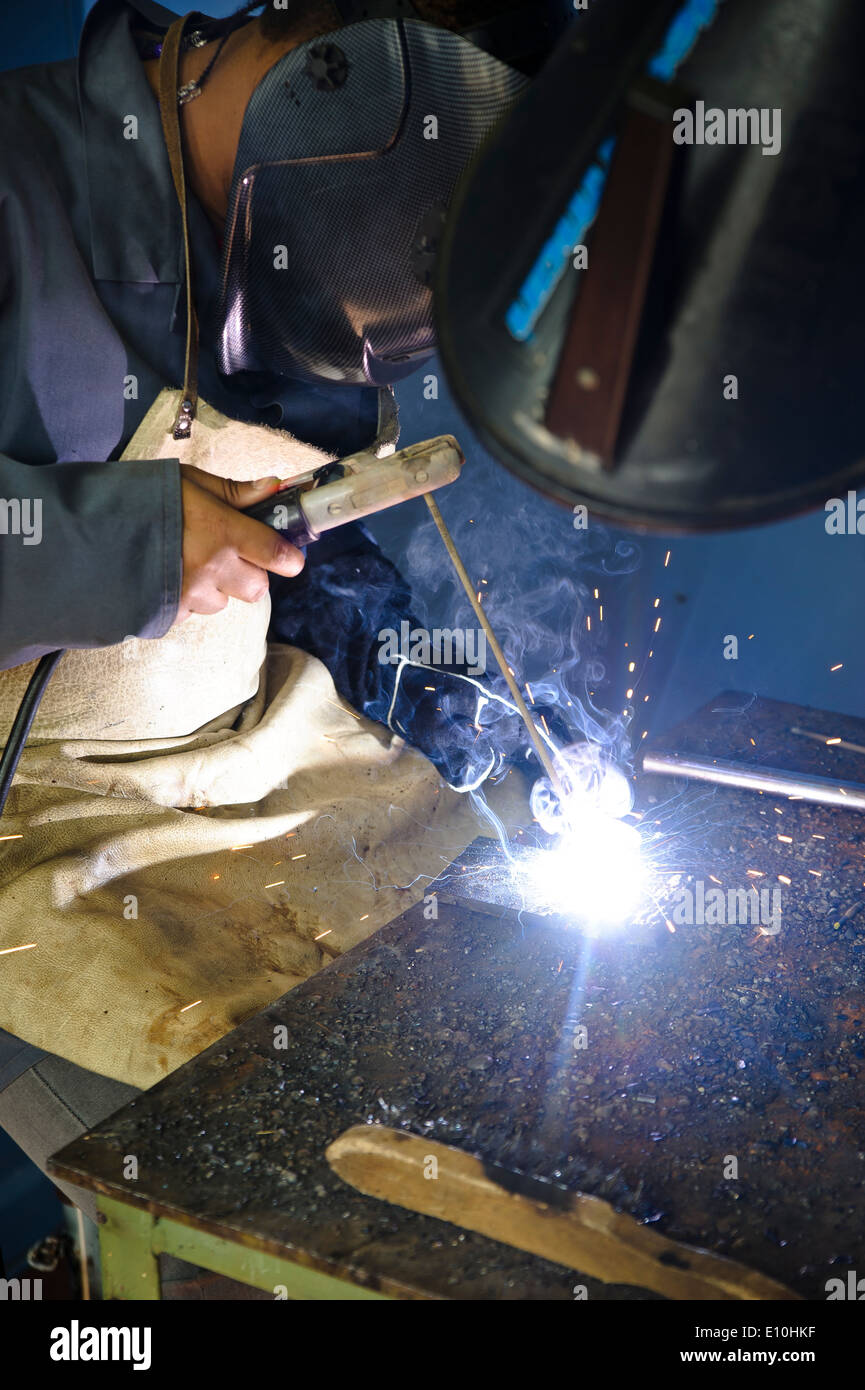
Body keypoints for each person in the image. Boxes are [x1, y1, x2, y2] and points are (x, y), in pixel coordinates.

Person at [0, 0, 567, 1240]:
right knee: (290, 1152)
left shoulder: (281, 256)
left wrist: (408, 657)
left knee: (494, 945)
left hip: (236, 758)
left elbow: (314, 527)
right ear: (338, 79)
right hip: (32, 817)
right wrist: (132, 542)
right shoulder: (16, 183)